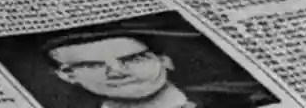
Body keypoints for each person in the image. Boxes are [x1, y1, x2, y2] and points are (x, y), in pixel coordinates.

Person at [42, 30, 274, 108]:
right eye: (92, 65)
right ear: (67, 75)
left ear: (165, 60)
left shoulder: (248, 101)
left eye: (133, 58)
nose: (117, 72)